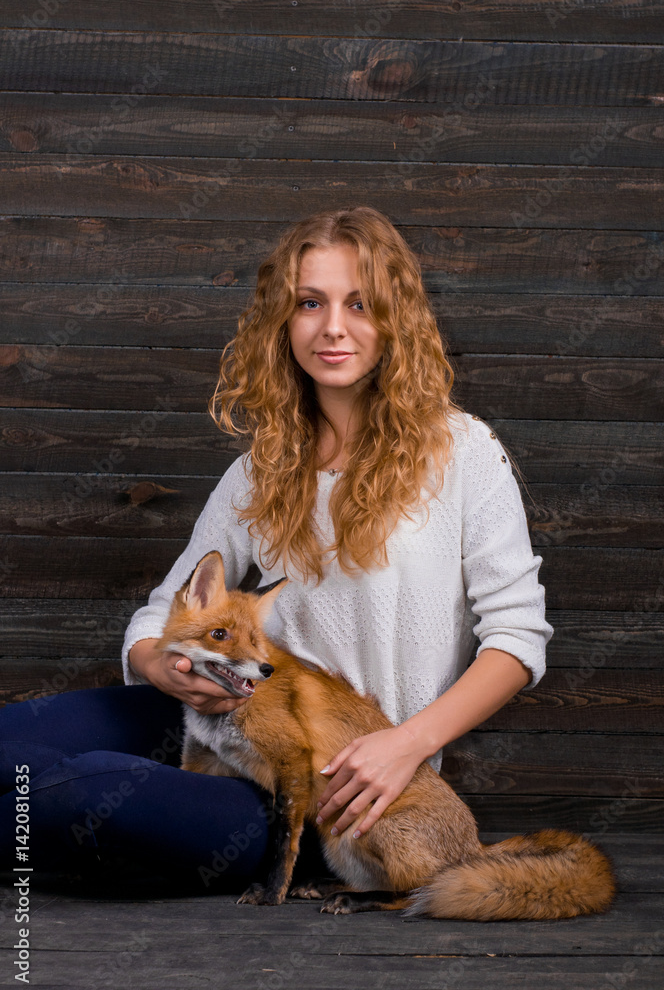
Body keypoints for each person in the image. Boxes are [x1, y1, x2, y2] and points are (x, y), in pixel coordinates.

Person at [0, 206, 552, 887]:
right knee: (10, 744)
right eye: (310, 303)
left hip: (323, 786)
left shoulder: (464, 454)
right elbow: (161, 614)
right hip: (216, 718)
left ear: (396, 319)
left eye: (359, 304)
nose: (333, 327)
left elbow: (517, 638)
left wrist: (407, 744)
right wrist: (161, 667)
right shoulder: (262, 468)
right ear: (282, 323)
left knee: (80, 791)